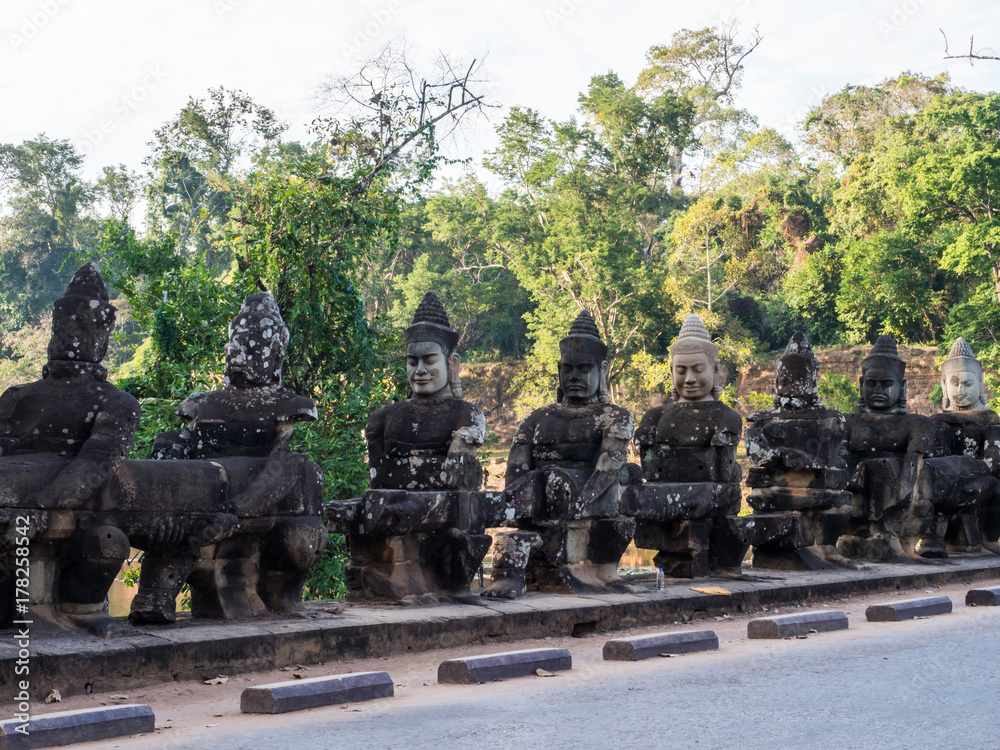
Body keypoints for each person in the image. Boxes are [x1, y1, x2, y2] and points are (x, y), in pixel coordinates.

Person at [482, 309, 638, 599]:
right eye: (568, 369)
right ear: (559, 370)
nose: (574, 376)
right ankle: (510, 577)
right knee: (508, 502)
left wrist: (579, 501)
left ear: (602, 371)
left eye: (584, 369)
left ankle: (604, 570)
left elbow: (608, 466)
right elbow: (516, 472)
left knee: (625, 482)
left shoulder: (613, 416)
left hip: (588, 501)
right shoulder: (536, 418)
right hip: (538, 496)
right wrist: (516, 501)